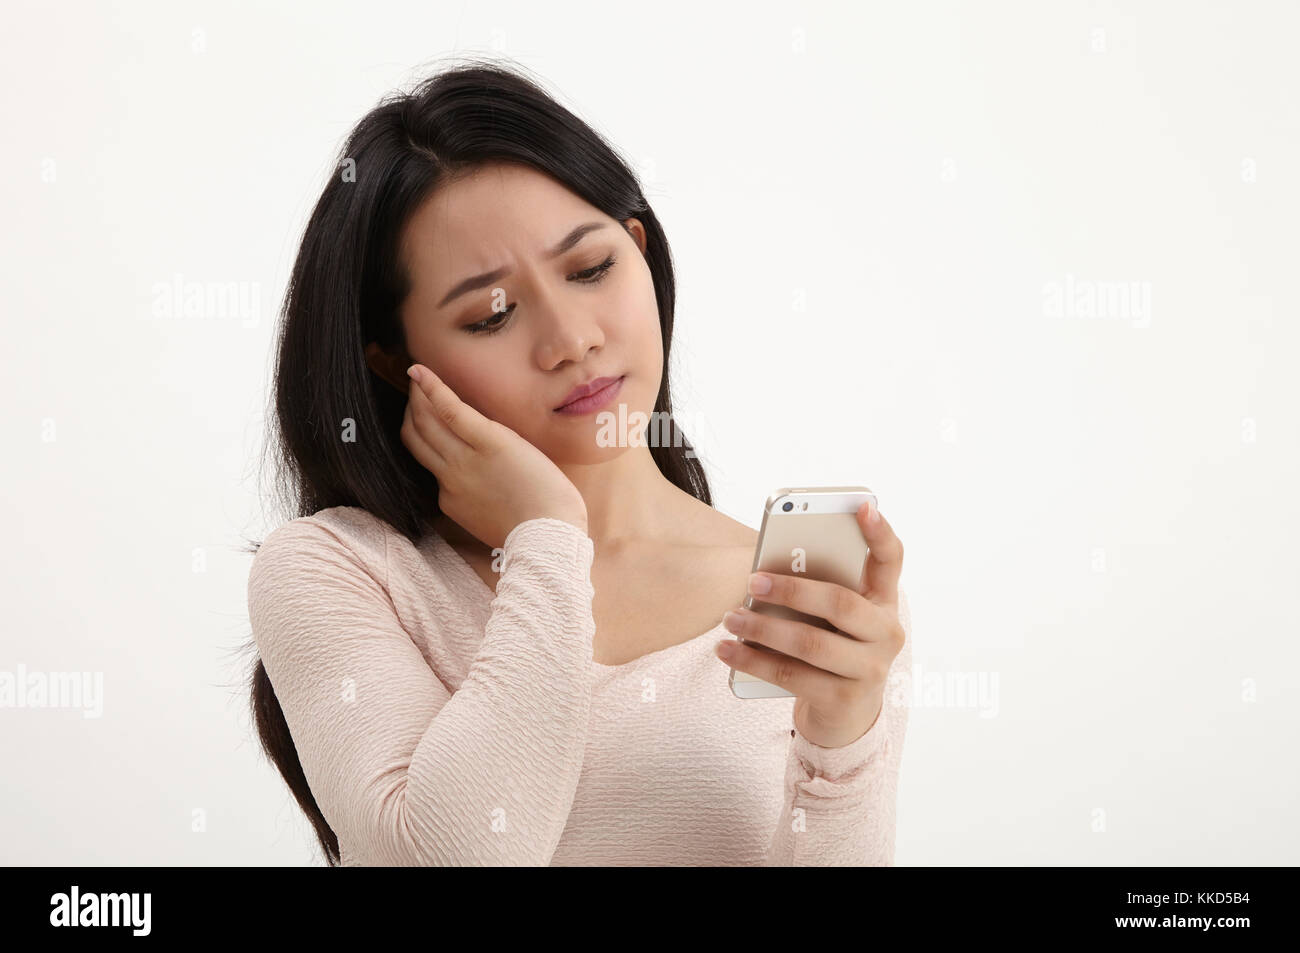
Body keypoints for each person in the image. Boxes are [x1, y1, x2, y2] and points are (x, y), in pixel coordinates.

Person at [245, 57, 912, 866]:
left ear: (639, 250)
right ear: (395, 361)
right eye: (491, 316)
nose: (572, 340)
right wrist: (546, 535)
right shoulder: (343, 571)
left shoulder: (799, 597)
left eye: (592, 269)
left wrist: (842, 746)